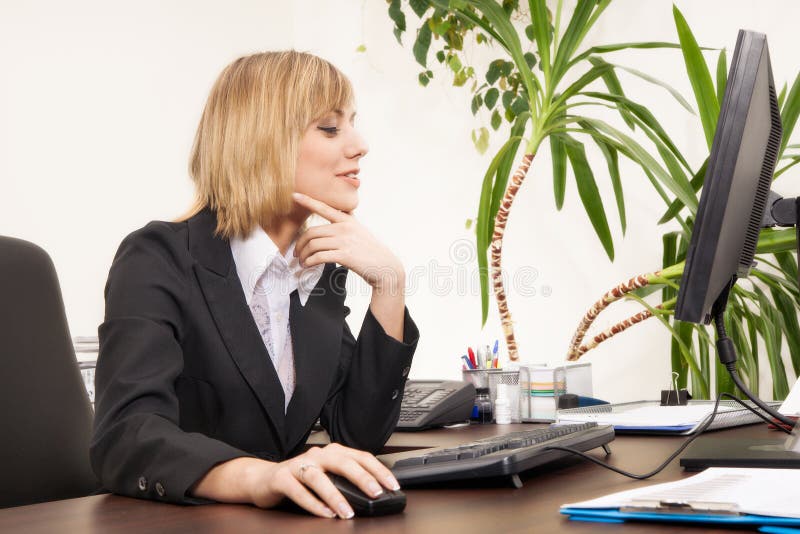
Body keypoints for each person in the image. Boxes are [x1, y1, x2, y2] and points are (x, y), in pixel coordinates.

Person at [90, 51, 419, 520]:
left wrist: (390, 285)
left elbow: (356, 437)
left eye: (353, 125)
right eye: (330, 128)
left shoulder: (317, 271)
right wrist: (259, 476)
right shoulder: (158, 257)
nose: (360, 145)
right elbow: (126, 436)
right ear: (263, 142)